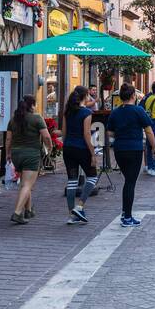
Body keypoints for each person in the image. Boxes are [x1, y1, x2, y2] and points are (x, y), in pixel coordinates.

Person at [105, 83, 155, 227]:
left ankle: (125, 213)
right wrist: (154, 148)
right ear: (133, 96)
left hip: (119, 149)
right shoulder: (138, 111)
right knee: (130, 182)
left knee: (128, 180)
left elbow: (109, 132)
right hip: (134, 149)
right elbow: (148, 131)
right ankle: (127, 216)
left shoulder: (115, 112)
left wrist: (120, 134)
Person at [4, 95, 53, 225]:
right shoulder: (37, 118)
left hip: (16, 154)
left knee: (25, 183)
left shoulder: (13, 120)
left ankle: (29, 210)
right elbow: (46, 136)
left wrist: (8, 153)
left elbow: (8, 139)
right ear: (32, 105)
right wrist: (50, 147)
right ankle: (17, 212)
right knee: (27, 185)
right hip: (31, 154)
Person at [60, 85, 98, 224]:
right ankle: (80, 205)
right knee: (93, 177)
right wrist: (92, 153)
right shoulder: (87, 113)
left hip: (68, 148)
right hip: (82, 148)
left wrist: (67, 145)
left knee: (71, 181)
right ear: (85, 96)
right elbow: (87, 134)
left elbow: (63, 133)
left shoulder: (67, 112)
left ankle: (71, 215)